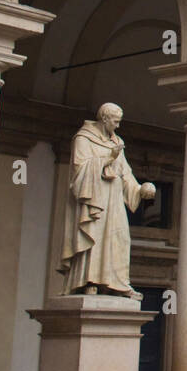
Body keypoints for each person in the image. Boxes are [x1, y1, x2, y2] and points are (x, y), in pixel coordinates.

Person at [60, 103, 155, 299]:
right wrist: (108, 157)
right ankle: (89, 281)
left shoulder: (117, 142)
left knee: (120, 239)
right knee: (95, 238)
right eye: (115, 121)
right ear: (104, 119)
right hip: (94, 198)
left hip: (114, 201)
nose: (118, 126)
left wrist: (140, 189)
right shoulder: (83, 139)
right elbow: (79, 169)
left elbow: (125, 173)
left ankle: (118, 283)